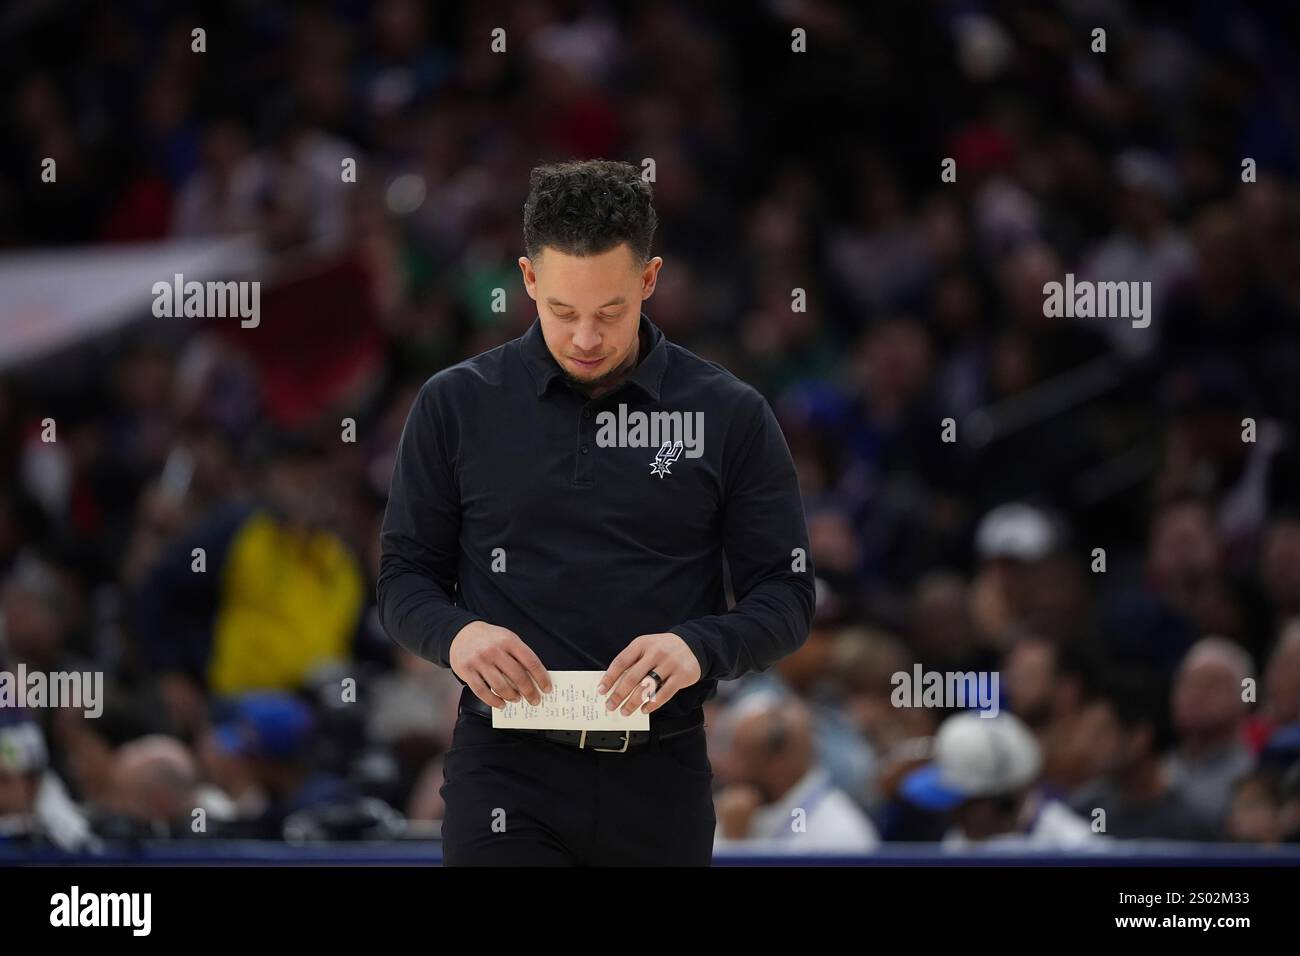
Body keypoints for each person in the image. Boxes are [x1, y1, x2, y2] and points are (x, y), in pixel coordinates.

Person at [377, 159, 815, 865]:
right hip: (504, 766)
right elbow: (403, 579)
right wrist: (458, 637)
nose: (586, 337)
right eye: (562, 310)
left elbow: (787, 595)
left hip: (660, 772)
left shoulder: (729, 414)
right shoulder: (455, 405)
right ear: (527, 280)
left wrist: (699, 645)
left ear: (648, 280)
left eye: (610, 311)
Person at [900, 710, 1097, 850]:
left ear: (1004, 801)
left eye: (964, 803)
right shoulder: (958, 839)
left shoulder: (1076, 847)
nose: (954, 815)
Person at [713, 694, 878, 853]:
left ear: (779, 765)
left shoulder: (840, 835)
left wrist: (735, 844)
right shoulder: (734, 811)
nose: (729, 767)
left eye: (742, 757)